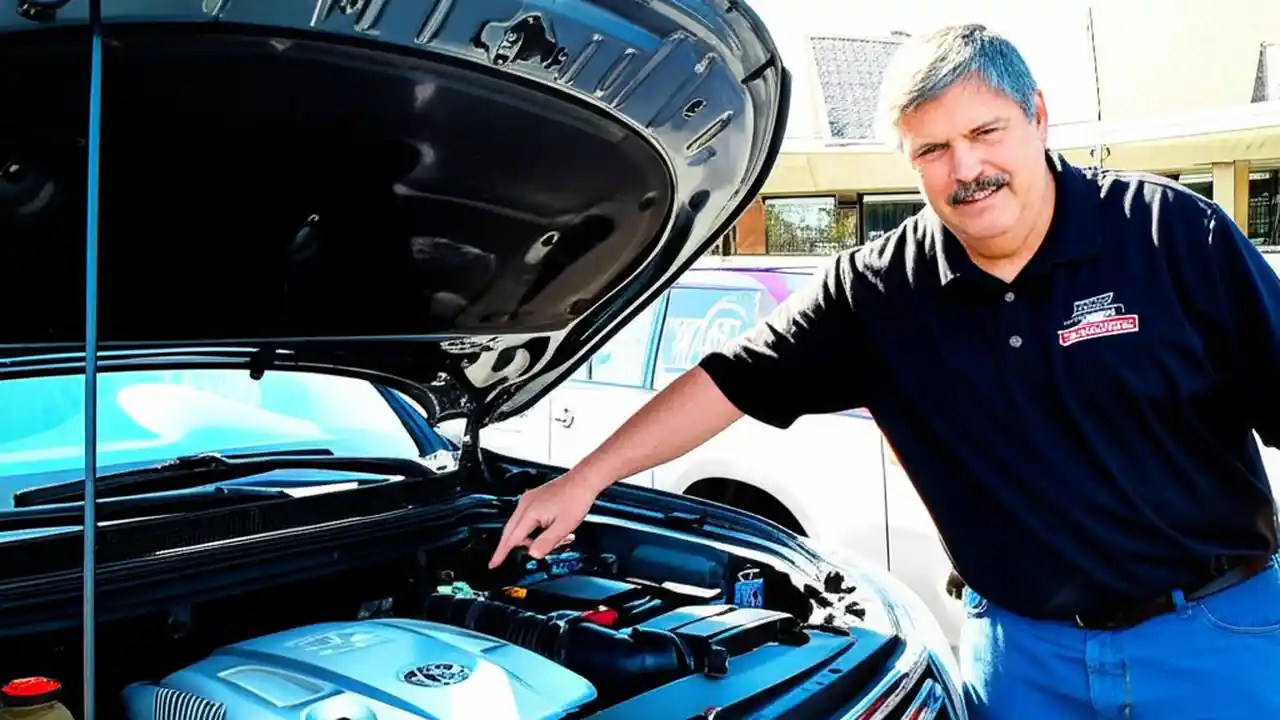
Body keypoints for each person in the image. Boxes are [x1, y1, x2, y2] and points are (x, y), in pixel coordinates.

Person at [489, 22, 1280, 718]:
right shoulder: (876, 291)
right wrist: (585, 480)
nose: (966, 168)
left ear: (1037, 116)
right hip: (1021, 660)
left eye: (987, 131)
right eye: (932, 149)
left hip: (1216, 636)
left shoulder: (1172, 234)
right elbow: (730, 378)